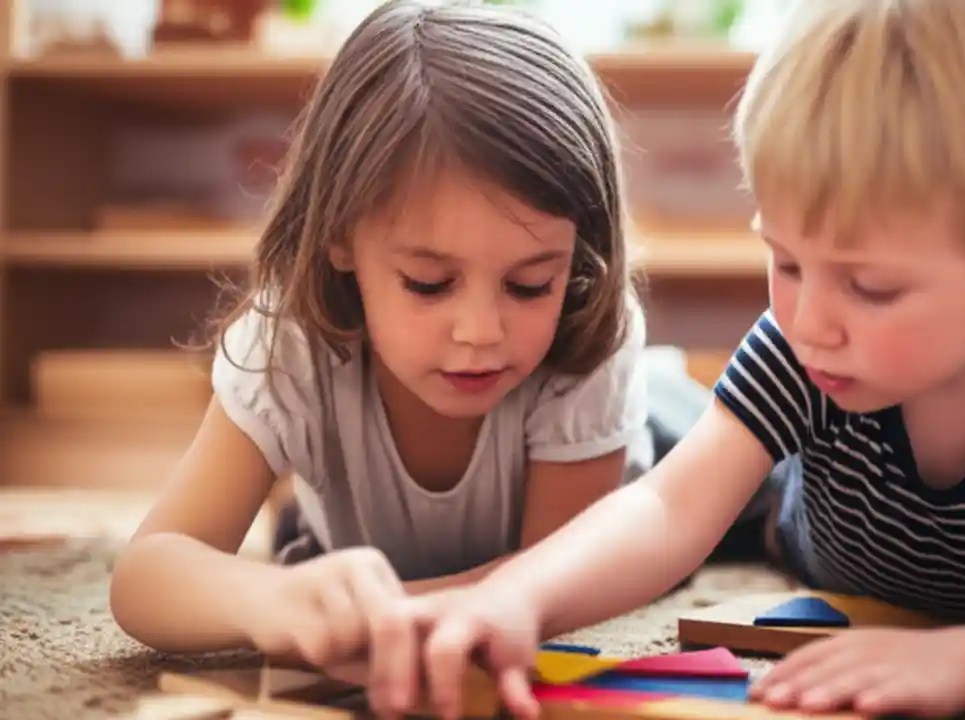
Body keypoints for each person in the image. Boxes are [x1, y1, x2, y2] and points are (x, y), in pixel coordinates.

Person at [400, 1, 965, 719]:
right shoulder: (798, 347)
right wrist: (516, 595)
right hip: (793, 549)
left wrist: (958, 664)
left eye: (869, 287)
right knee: (690, 463)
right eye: (787, 262)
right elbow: (669, 513)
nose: (809, 320)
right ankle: (662, 390)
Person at [108, 2, 648, 711]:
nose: (480, 331)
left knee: (734, 480)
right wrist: (267, 598)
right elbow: (142, 579)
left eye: (529, 283)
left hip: (643, 445)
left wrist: (391, 611)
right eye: (429, 283)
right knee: (312, 555)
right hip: (359, 519)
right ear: (339, 237)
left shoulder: (586, 328)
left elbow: (559, 583)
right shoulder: (290, 339)